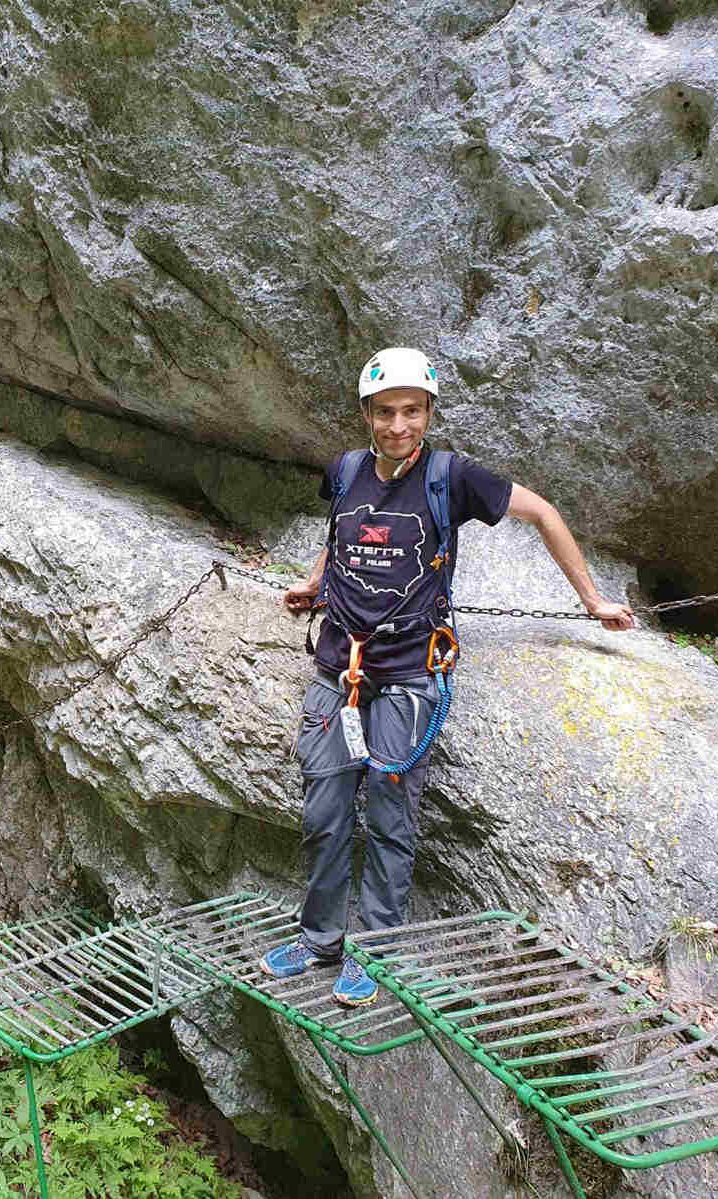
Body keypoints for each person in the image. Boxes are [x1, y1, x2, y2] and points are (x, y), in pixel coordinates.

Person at [260, 347, 634, 1006]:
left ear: (428, 412)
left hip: (407, 678)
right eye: (384, 412)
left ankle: (373, 951)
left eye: (410, 411)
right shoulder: (345, 471)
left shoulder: (451, 477)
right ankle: (318, 937)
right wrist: (315, 582)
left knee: (388, 815)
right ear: (367, 415)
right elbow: (343, 534)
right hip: (336, 673)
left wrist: (593, 601)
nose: (397, 425)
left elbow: (542, 512)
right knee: (322, 810)